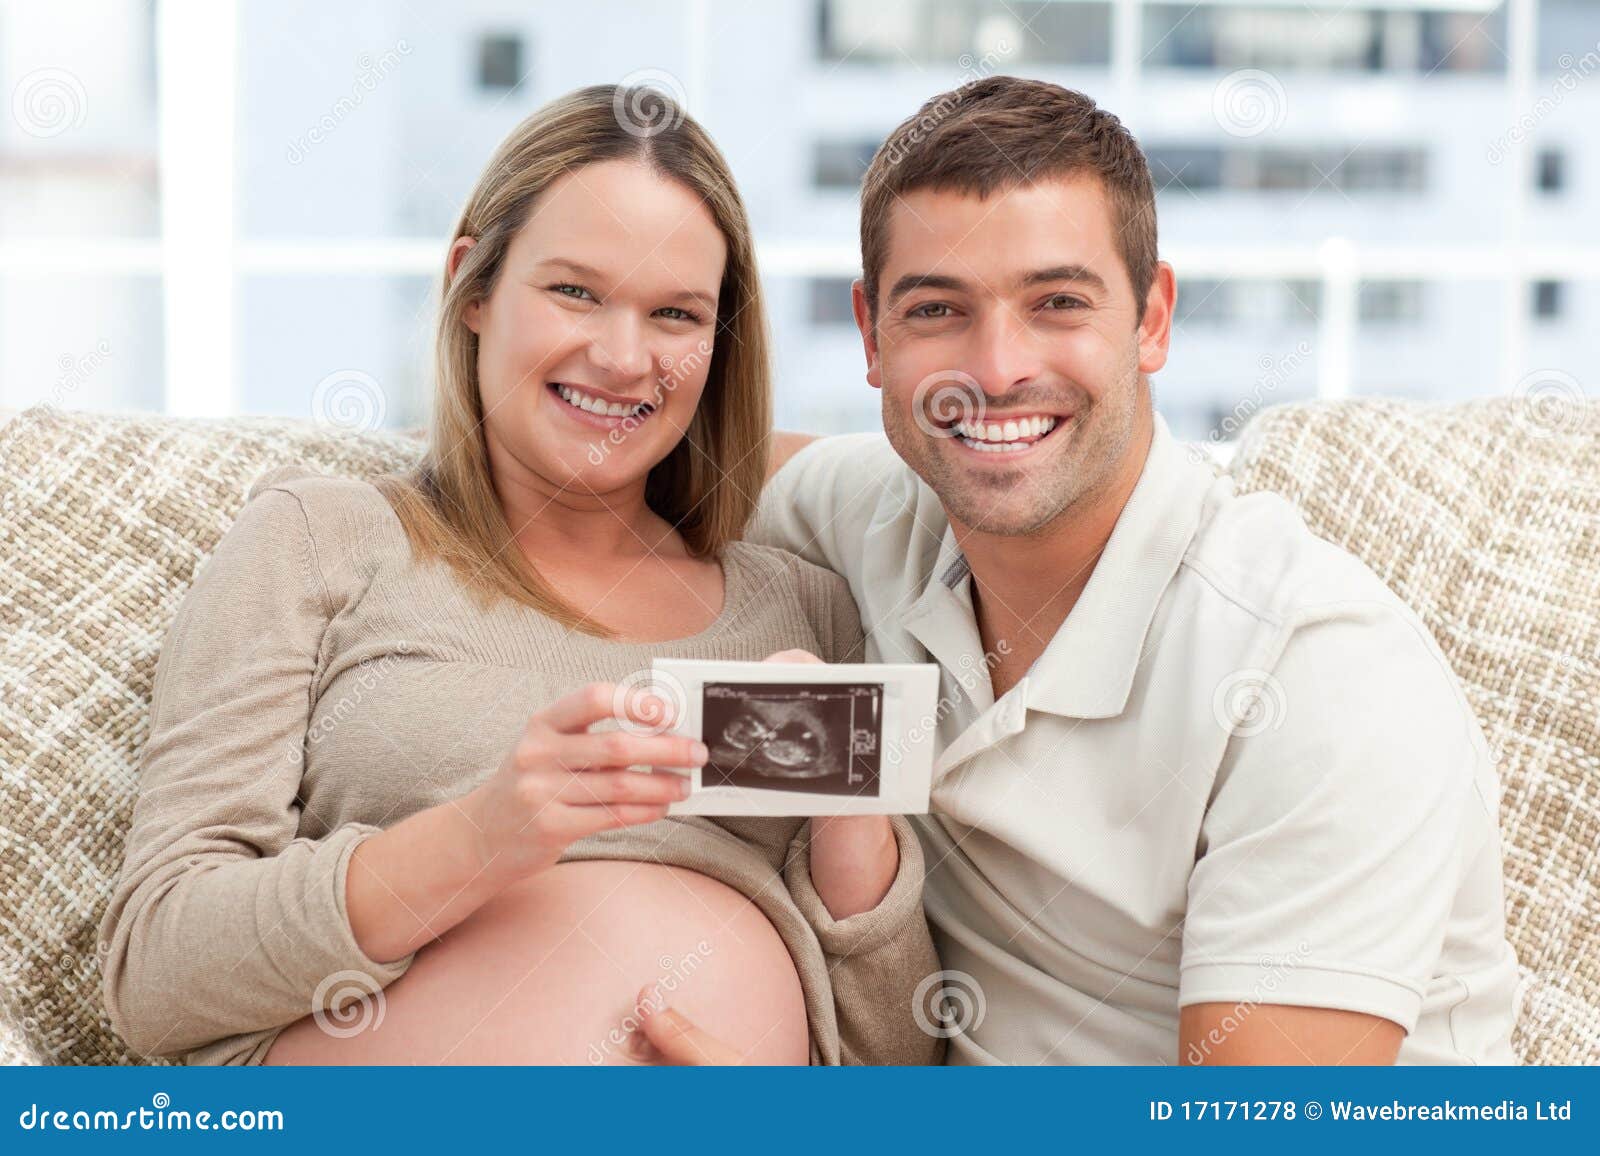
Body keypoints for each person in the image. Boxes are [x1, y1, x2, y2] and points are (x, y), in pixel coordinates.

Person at [98, 84, 941, 1067]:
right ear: (475, 287)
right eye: (575, 291)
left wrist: (853, 843)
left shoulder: (809, 607)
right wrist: (482, 837)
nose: (624, 358)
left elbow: (903, 1068)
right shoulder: (319, 540)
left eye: (675, 313)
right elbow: (155, 972)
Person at [742, 76, 1520, 1064]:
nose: (994, 367)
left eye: (1056, 301)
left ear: (1151, 319)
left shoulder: (1315, 671)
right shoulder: (882, 512)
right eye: (937, 309)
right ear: (871, 334)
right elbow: (661, 471)